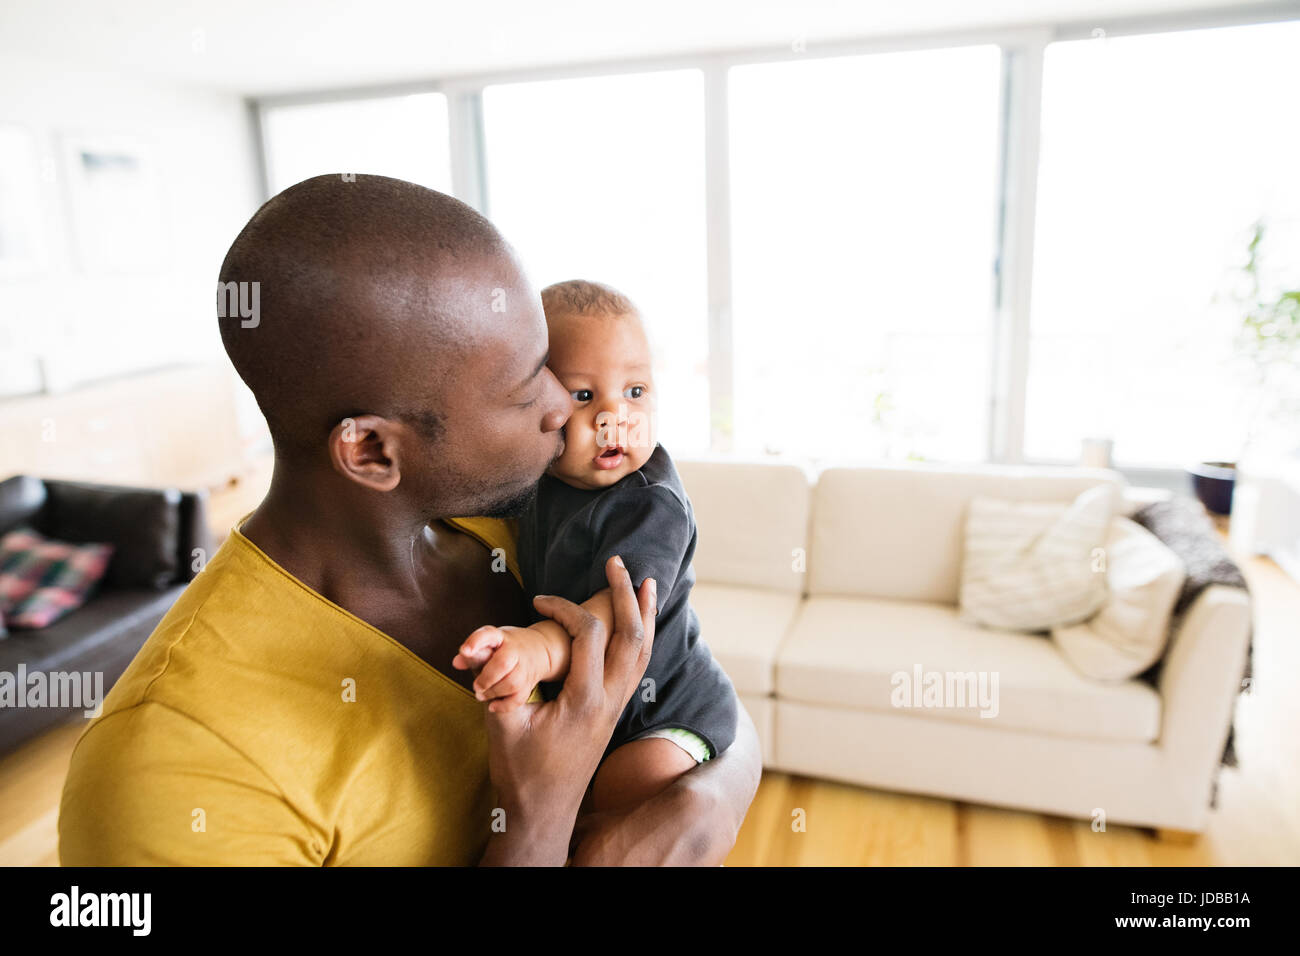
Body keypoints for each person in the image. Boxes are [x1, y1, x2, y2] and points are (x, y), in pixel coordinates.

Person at [57, 174, 760, 866]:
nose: (563, 409)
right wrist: (536, 820)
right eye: (525, 389)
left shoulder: (505, 521)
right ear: (371, 450)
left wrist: (708, 803)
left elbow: (692, 682)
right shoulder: (172, 774)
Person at [455, 279, 736, 814]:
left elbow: (621, 614)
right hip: (591, 704)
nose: (614, 418)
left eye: (635, 392)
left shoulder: (649, 504)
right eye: (584, 396)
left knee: (623, 789)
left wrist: (538, 648)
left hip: (667, 708)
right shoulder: (544, 476)